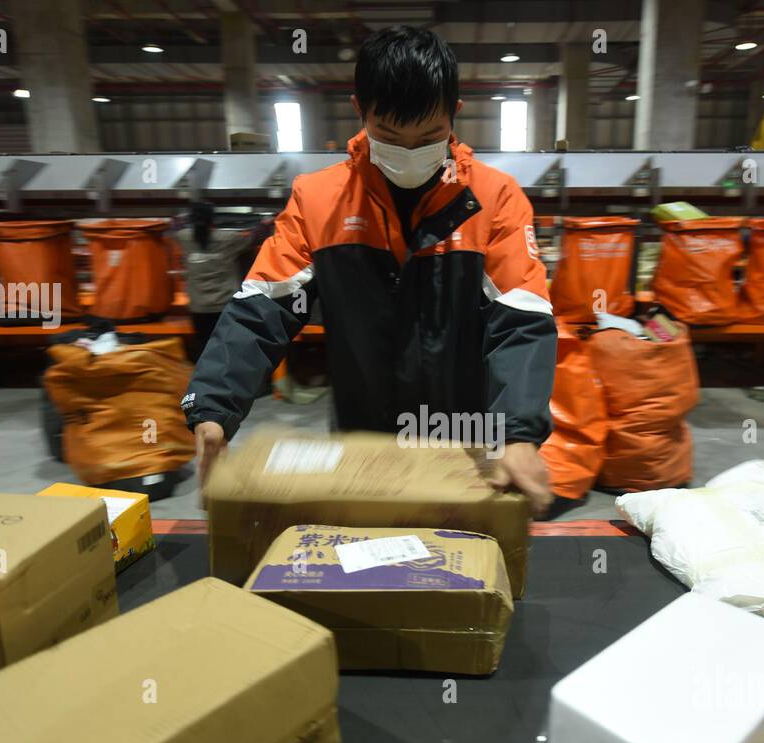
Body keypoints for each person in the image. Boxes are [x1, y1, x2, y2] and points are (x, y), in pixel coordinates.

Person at [183, 25, 557, 516]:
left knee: (459, 571)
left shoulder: (493, 199)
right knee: (365, 570)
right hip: (362, 442)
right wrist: (213, 406)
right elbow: (262, 309)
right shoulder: (318, 200)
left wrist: (517, 431)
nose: (408, 152)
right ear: (361, 111)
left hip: (465, 446)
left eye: (429, 136)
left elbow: (522, 320)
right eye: (388, 134)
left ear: (455, 115)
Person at [173, 202, 251, 362]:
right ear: (213, 220)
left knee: (204, 348)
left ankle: (205, 383)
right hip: (224, 306)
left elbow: (175, 225)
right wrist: (267, 223)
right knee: (227, 349)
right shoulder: (228, 238)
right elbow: (255, 237)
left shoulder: (184, 237)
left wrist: (182, 218)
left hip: (198, 307)